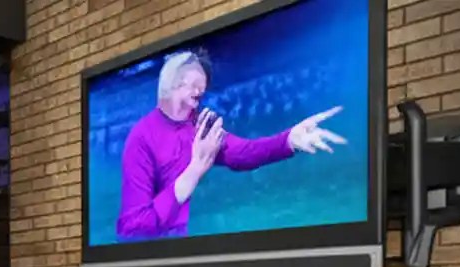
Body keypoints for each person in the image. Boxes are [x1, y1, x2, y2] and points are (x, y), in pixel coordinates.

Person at [115, 49, 346, 241]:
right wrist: (194, 171)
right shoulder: (141, 138)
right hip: (150, 261)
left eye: (202, 88)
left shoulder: (198, 127)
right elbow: (132, 227)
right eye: (193, 85)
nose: (200, 92)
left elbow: (242, 153)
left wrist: (288, 140)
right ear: (171, 85)